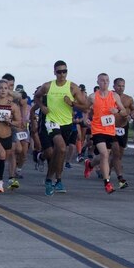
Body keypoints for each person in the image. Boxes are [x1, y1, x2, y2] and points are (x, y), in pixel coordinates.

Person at [32, 61, 89, 195]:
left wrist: (72, 103)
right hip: (51, 122)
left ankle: (54, 180)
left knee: (59, 154)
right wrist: (42, 106)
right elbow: (36, 97)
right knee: (61, 148)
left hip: (66, 123)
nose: (62, 74)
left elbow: (86, 106)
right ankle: (53, 180)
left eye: (64, 71)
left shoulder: (72, 87)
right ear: (54, 72)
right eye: (59, 72)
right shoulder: (48, 86)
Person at [84, 73, 127, 194]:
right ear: (98, 82)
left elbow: (124, 111)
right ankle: (107, 183)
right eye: (102, 80)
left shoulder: (114, 96)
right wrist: (86, 119)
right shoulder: (92, 97)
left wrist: (117, 110)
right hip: (97, 129)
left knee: (105, 155)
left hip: (110, 130)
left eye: (107, 80)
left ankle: (90, 164)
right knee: (104, 154)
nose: (105, 82)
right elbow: (86, 109)